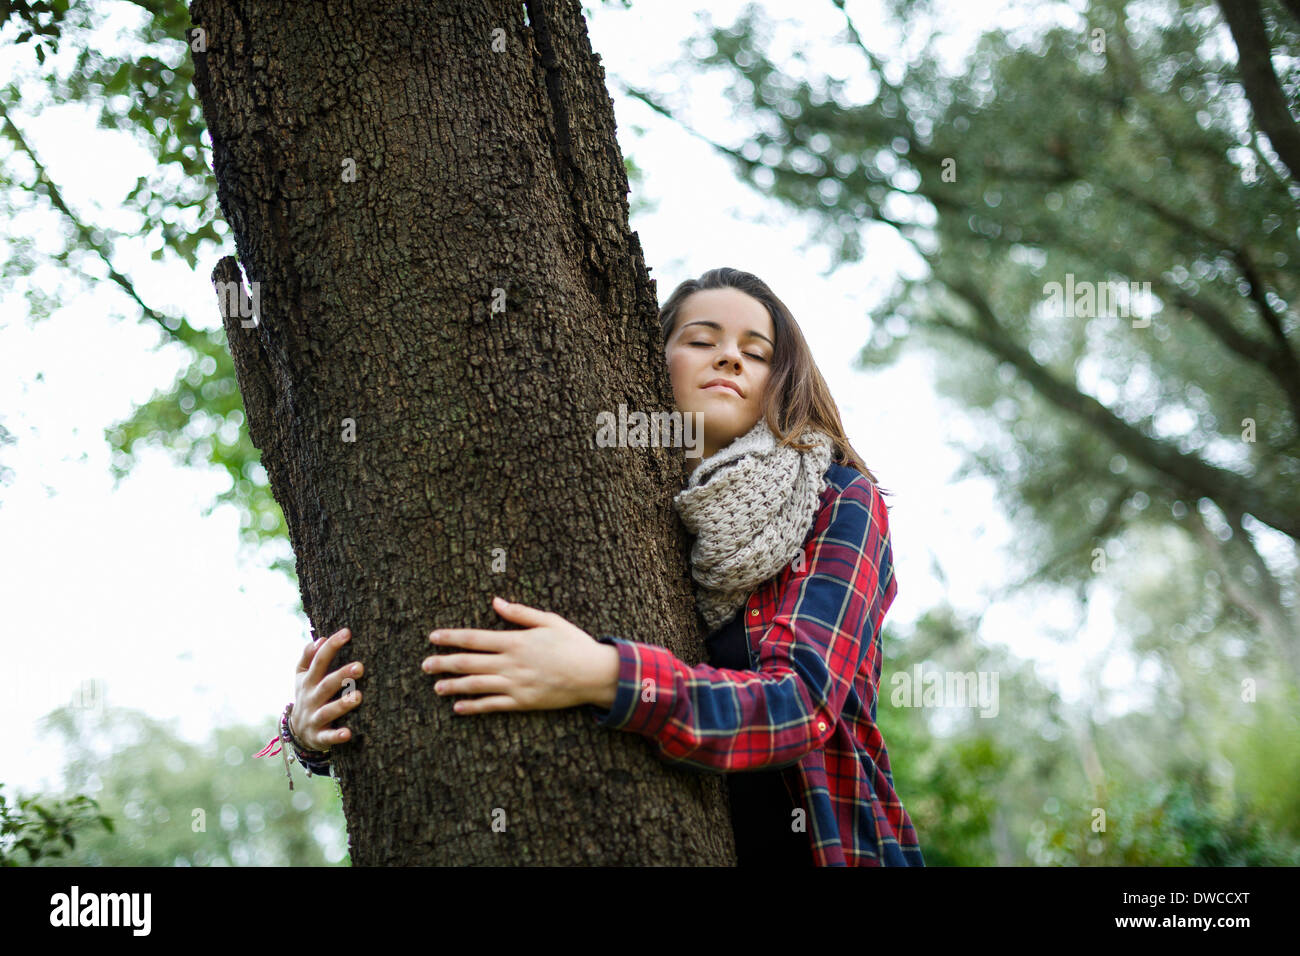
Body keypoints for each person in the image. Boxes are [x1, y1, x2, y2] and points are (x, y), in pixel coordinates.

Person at [270, 266, 925, 866]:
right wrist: (310, 727)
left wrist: (606, 675)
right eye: (702, 339)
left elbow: (801, 707)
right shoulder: (615, 502)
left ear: (780, 381)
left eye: (757, 352)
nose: (730, 356)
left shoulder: (836, 499)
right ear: (648, 357)